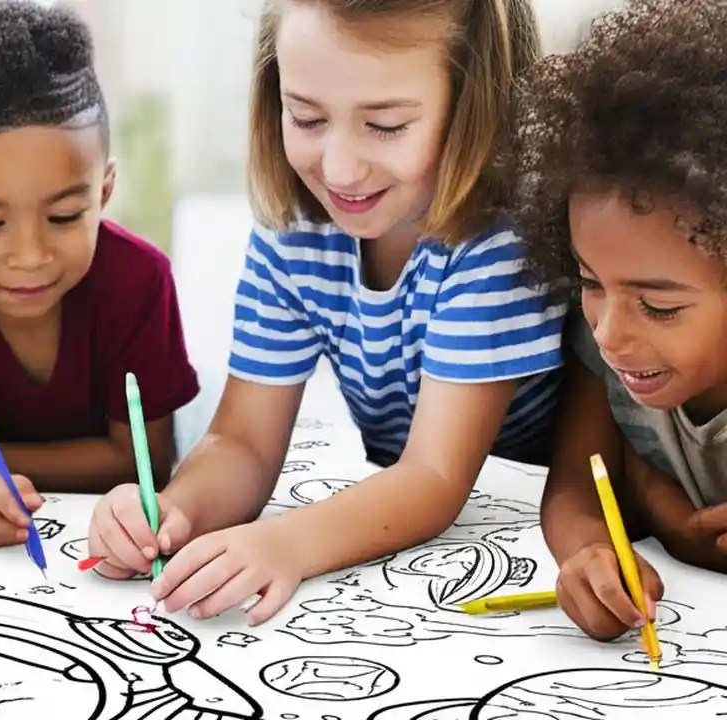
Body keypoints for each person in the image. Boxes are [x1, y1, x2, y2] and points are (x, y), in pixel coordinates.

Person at [89, 0, 564, 625]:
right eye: (306, 117)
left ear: (476, 105)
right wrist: (174, 510)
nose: (338, 170)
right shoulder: (297, 231)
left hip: (537, 534)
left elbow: (434, 477)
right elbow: (242, 441)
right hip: (412, 529)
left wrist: (286, 543)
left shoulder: (498, 244)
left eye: (387, 125)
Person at [0, 0, 199, 548]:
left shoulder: (139, 281)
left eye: (65, 216)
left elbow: (141, 463)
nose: (30, 255)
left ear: (103, 191)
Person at [513, 0, 727, 641]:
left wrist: (665, 513)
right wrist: (587, 553)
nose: (608, 332)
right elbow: (580, 482)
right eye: (588, 281)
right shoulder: (607, 347)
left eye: (660, 305)